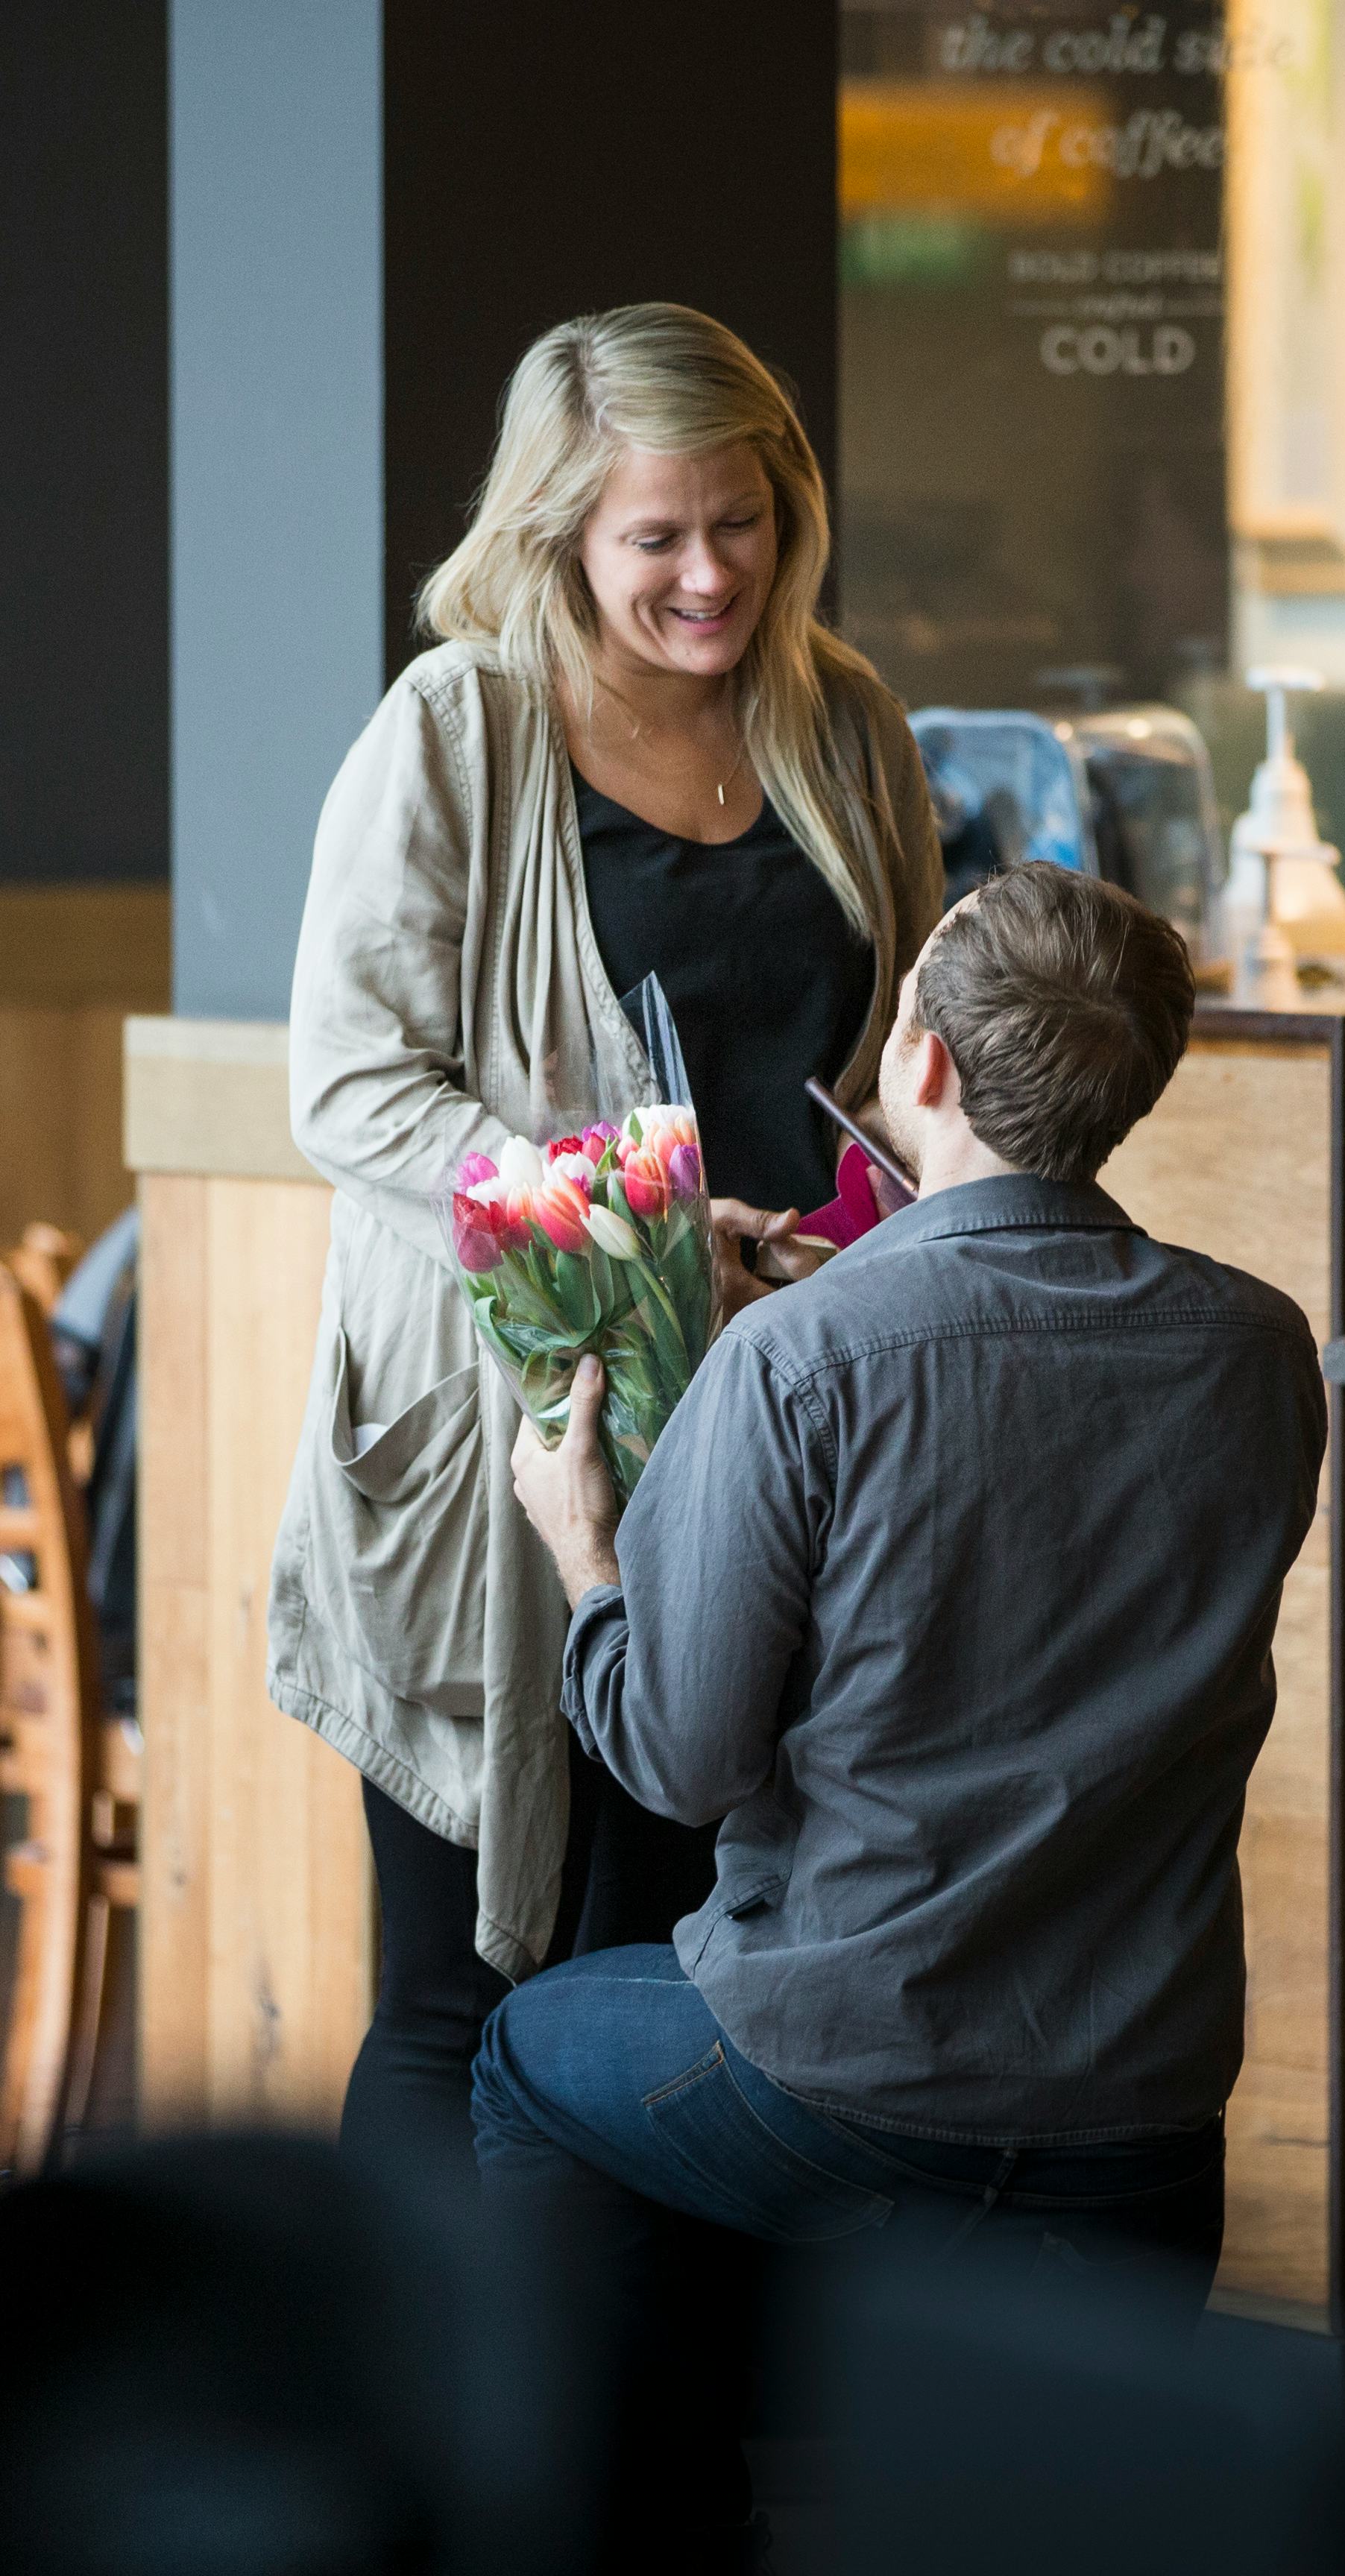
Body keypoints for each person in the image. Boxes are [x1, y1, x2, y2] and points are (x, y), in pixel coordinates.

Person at [476, 862, 1328, 2567]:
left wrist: (587, 1557)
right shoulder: (1257, 1348)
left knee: (525, 2052)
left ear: (923, 1068)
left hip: (848, 2075)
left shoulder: (798, 1360)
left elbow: (680, 1752)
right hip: (1144, 2125)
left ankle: (658, 2529)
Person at [267, 303, 945, 2197]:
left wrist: (845, 1232)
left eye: (737, 523)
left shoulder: (846, 723)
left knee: (691, 1960)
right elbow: (347, 1085)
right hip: (510, 1444)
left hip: (773, 1427)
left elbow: (896, 1064)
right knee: (466, 1973)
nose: (708, 573)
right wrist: (640, 1225)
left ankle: (640, 2451)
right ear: (561, 531)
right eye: (656, 538)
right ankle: (421, 2454)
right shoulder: (458, 731)